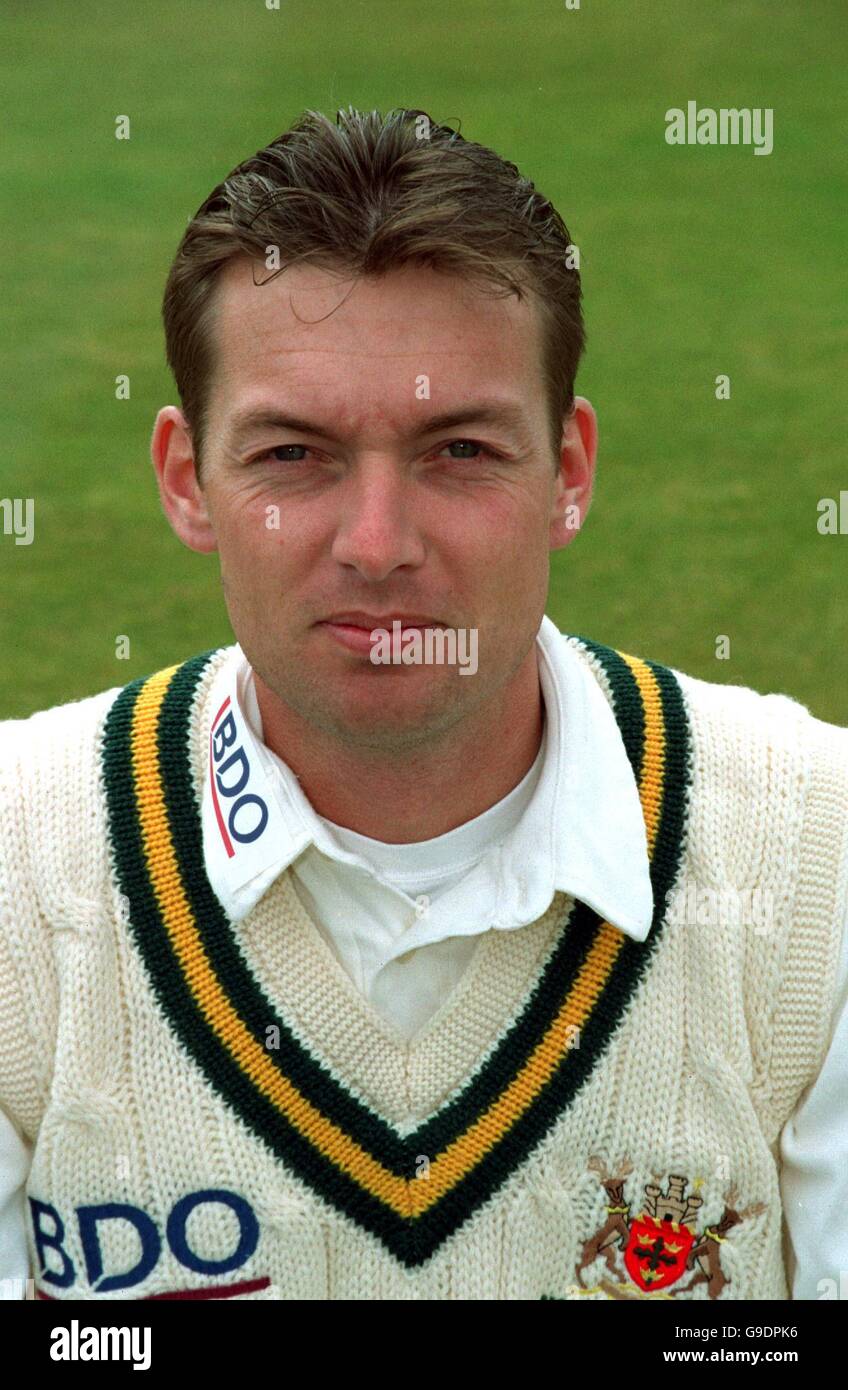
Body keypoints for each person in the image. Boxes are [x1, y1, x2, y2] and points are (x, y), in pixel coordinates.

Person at [1, 107, 845, 1302]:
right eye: (292, 454)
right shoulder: (15, 865)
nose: (378, 544)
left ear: (569, 471)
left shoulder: (820, 852)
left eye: (458, 451)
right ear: (188, 481)